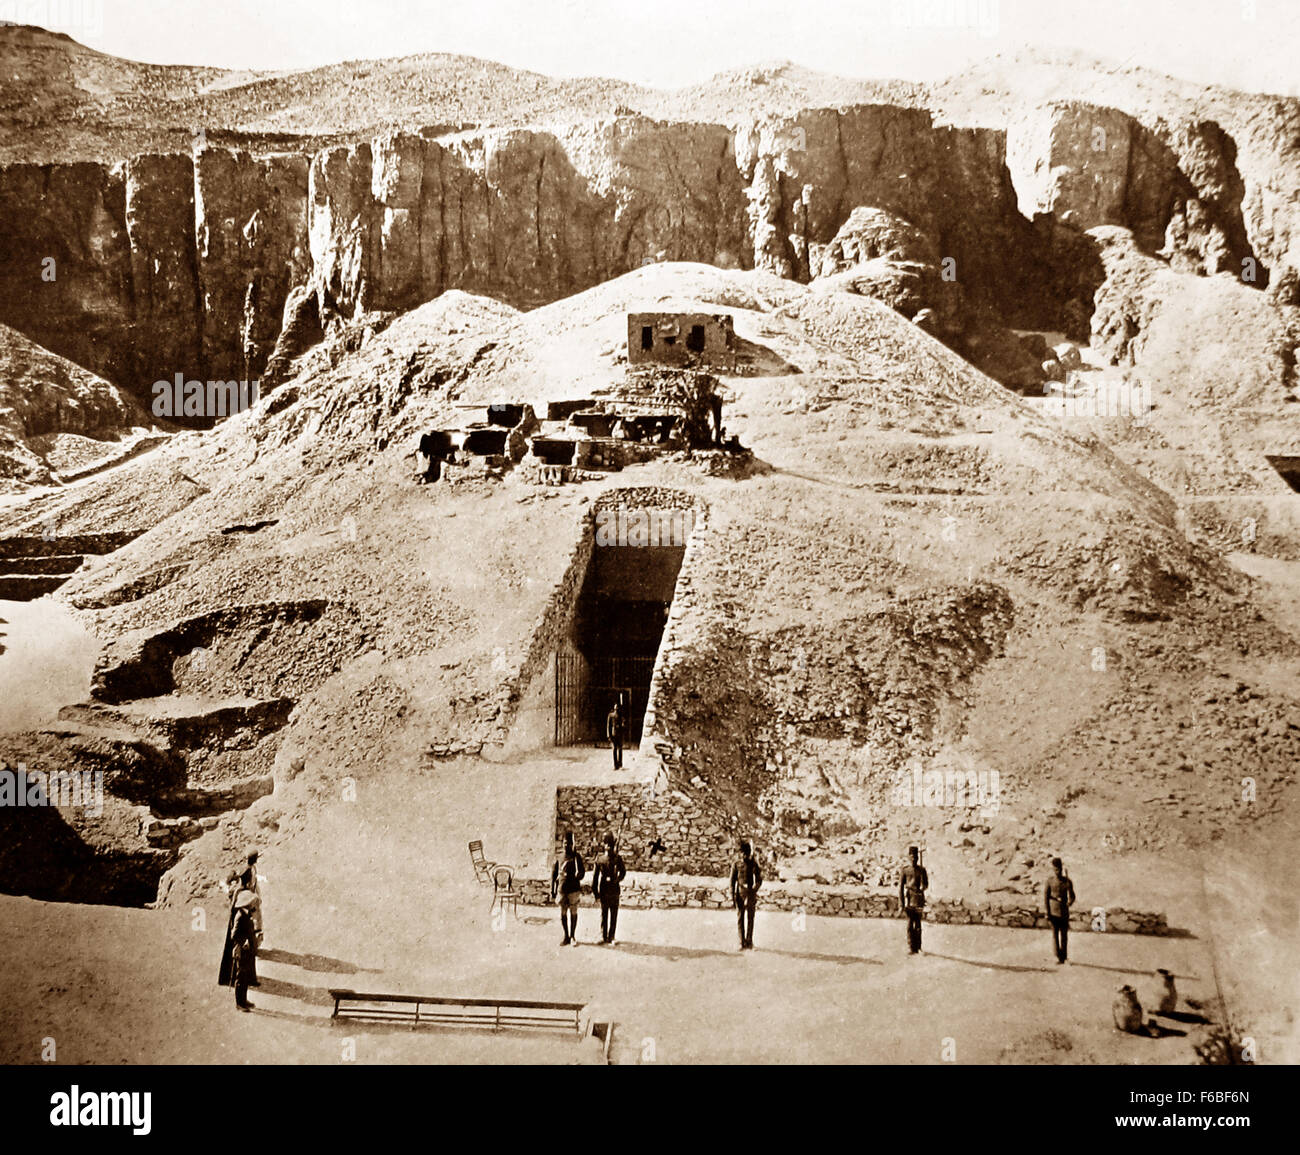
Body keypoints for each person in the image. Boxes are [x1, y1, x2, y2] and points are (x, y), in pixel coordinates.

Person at [590, 832, 627, 944]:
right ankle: (603, 936)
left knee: (613, 914)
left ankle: (612, 936)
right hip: (604, 889)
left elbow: (623, 872)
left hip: (614, 889)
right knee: (604, 914)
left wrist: (617, 879)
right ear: (604, 845)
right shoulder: (600, 859)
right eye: (606, 843)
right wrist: (595, 893)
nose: (608, 846)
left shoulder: (617, 858)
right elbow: (595, 877)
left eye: (610, 843)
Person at [551, 830, 586, 946]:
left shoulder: (576, 857)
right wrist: (553, 890)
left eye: (569, 843)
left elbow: (582, 872)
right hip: (562, 889)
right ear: (563, 843)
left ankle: (572, 936)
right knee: (563, 913)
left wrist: (578, 876)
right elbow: (554, 874)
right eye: (565, 843)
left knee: (573, 912)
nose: (567, 845)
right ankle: (566, 936)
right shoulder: (560, 857)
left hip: (573, 889)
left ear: (572, 844)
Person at [229, 892, 259, 1011]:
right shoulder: (240, 916)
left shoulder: (246, 914)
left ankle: (244, 1000)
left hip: (247, 951)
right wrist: (244, 941)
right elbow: (234, 934)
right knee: (241, 978)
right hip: (242, 951)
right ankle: (239, 1003)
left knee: (245, 977)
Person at [730, 839, 762, 950]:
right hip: (740, 894)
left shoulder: (753, 864)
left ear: (748, 853)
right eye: (742, 853)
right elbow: (732, 881)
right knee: (740, 918)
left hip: (751, 894)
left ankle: (749, 942)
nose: (743, 855)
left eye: (745, 853)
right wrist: (732, 896)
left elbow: (759, 879)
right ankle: (741, 942)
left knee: (750, 918)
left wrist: (755, 888)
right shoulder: (736, 864)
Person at [1044, 857, 1076, 964]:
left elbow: (1072, 896)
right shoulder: (1050, 881)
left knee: (1064, 936)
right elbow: (1046, 897)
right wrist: (1048, 913)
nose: (1057, 871)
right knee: (1055, 935)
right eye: (1055, 869)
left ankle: (1064, 957)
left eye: (1059, 869)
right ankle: (1058, 956)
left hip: (1064, 912)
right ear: (1053, 869)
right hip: (1053, 912)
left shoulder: (1067, 881)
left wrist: (1069, 903)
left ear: (1062, 869)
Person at [898, 846, 928, 954]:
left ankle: (918, 947)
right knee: (910, 924)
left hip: (919, 898)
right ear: (909, 858)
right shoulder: (905, 870)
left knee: (918, 924)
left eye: (915, 857)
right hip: (909, 898)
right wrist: (901, 903)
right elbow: (900, 888)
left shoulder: (922, 870)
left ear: (917, 858)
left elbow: (926, 884)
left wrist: (922, 887)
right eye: (912, 857)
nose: (914, 859)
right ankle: (911, 947)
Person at [606, 697, 625, 770]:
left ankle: (620, 763)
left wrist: (622, 724)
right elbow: (608, 726)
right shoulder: (611, 715)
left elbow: (623, 723)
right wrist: (608, 735)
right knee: (614, 749)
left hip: (619, 734)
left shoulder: (621, 715)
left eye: (617, 708)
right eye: (616, 708)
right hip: (613, 734)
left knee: (620, 749)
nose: (616, 709)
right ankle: (615, 764)